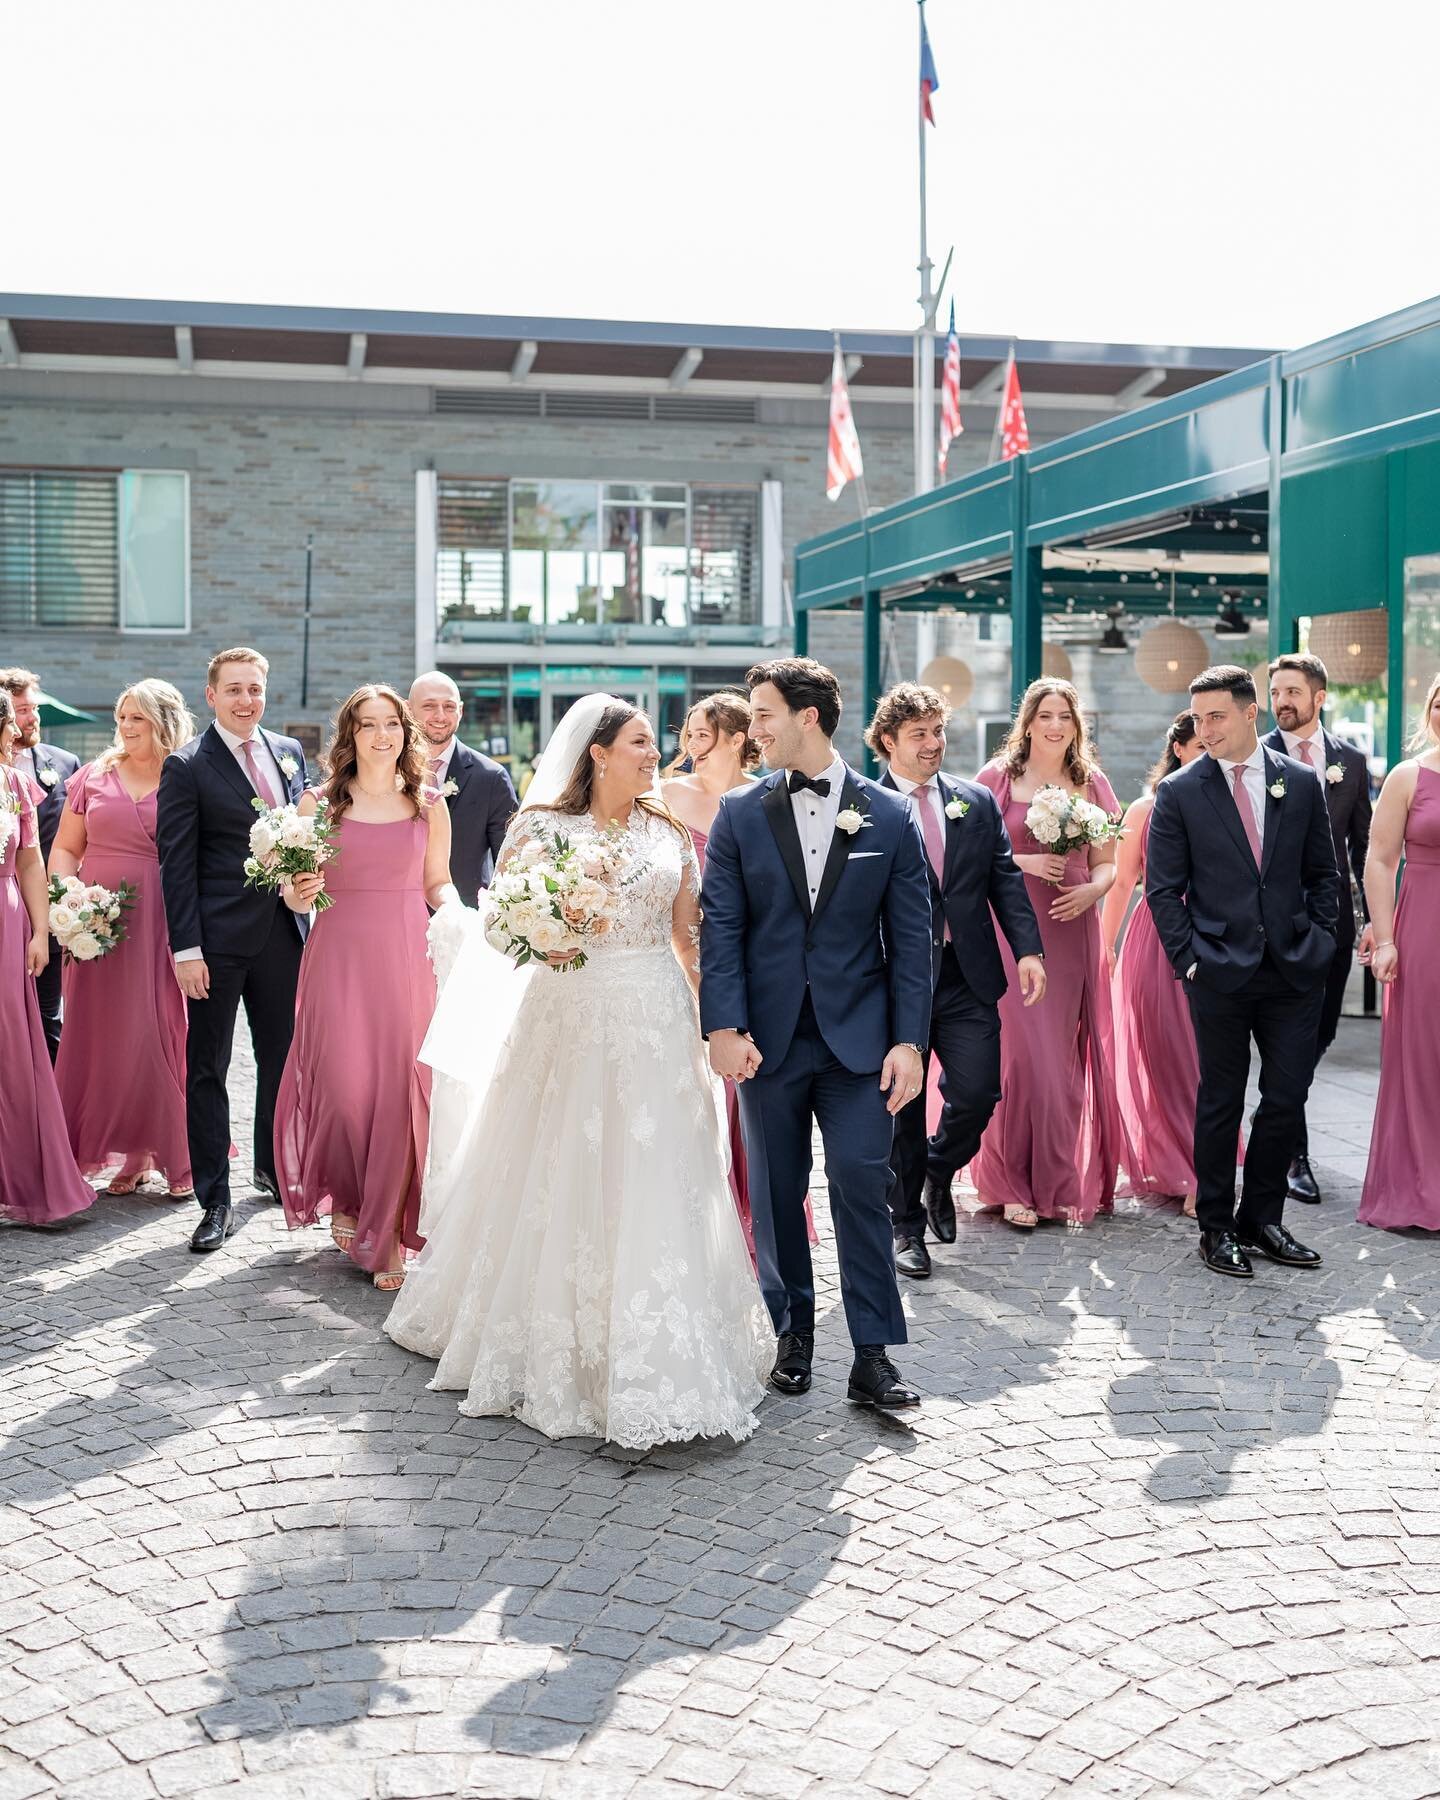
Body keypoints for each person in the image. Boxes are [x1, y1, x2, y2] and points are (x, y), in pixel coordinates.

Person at [386, 695, 771, 1449]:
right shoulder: (543, 827)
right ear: (596, 752)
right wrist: (545, 938)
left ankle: (663, 1334)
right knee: (560, 1162)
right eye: (637, 742)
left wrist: (720, 1023)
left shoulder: (671, 832)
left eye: (652, 743)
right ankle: (551, 1333)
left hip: (656, 1018)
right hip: (567, 1015)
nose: (653, 753)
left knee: (657, 1169)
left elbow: (689, 938)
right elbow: (504, 921)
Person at [699, 658, 933, 1410]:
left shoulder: (889, 817)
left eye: (763, 714)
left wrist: (910, 1043)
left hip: (861, 1043)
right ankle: (791, 1332)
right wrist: (724, 1026)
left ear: (807, 716)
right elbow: (723, 928)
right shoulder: (738, 813)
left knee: (863, 1186)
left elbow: (913, 941)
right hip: (764, 1041)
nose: (752, 729)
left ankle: (873, 1354)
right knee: (776, 1192)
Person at [1147, 665, 1339, 1280]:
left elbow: (1324, 875)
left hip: (1293, 969)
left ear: (1249, 712)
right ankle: (1216, 1227)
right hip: (1219, 973)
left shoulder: (1301, 783)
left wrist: (1322, 941)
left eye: (1216, 717)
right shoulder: (1180, 792)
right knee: (1221, 1101)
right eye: (1197, 718)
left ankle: (1262, 1218)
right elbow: (1163, 892)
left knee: (1286, 1096)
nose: (1203, 729)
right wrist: (1192, 961)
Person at [274, 685, 454, 1289]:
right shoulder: (318, 805)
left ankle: (389, 1237)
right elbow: (296, 888)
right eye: (368, 725)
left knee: (401, 1095)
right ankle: (347, 1195)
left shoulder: (430, 805)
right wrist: (294, 892)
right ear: (349, 737)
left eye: (392, 725)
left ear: (406, 734)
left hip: (406, 956)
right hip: (339, 957)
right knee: (347, 1092)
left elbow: (438, 884)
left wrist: (465, 916)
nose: (383, 736)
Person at [869, 682, 1045, 1278]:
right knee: (901, 1107)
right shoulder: (863, 807)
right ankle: (905, 1228)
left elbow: (1004, 880)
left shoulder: (974, 801)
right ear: (887, 741)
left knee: (977, 1093)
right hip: (892, 982)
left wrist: (1028, 950)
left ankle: (939, 1171)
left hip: (966, 975)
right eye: (919, 734)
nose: (933, 744)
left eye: (938, 732)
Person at [156, 647, 309, 1254]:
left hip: (281, 932)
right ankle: (213, 1199)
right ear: (211, 694)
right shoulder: (186, 765)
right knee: (209, 1067)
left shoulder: (290, 753)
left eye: (256, 689)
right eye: (235, 689)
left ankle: (270, 1167)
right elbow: (177, 864)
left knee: (282, 1055)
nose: (247, 700)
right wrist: (185, 948)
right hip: (215, 943)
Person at [663, 691, 818, 1265]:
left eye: (702, 736)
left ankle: (758, 1224)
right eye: (688, 738)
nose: (690, 748)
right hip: (679, 959)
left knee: (747, 1094)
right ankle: (702, 1227)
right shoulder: (667, 797)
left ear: (735, 739)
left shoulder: (763, 799)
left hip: (751, 963)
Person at [971, 679, 1128, 1230]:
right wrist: (1024, 863)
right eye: (1045, 715)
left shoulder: (1092, 782)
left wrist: (1095, 889)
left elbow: (1110, 861)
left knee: (1061, 1061)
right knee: (1019, 1058)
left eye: (1064, 715)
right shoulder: (997, 779)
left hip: (1072, 925)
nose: (1055, 725)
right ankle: (1010, 1182)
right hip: (1012, 931)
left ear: (1075, 724)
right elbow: (968, 854)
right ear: (1029, 722)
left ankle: (1058, 1184)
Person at [48, 681, 197, 1198]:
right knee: (96, 1033)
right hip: (94, 926)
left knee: (154, 1028)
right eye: (122, 717)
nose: (126, 727)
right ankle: (108, 1155)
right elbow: (66, 849)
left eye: (137, 718)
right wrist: (70, 900)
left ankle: (162, 1152)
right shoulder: (93, 776)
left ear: (162, 721)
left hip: (160, 915)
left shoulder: (186, 775)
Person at [1104, 712, 1225, 1217]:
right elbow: (1121, 881)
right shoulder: (1146, 809)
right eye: (1197, 747)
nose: (1206, 756)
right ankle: (1180, 1164)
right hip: (1155, 943)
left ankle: (1204, 1169)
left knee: (1206, 1060)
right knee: (1166, 1057)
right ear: (1177, 749)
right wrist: (1104, 947)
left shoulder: (1231, 803)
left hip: (1217, 941)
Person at [1263, 653, 1371, 1205]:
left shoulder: (1350, 763)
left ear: (1319, 697)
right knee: (1295, 1037)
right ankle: (1292, 1151)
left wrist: (1372, 920)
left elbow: (1364, 847)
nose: (1281, 701)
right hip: (1275, 926)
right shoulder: (1257, 759)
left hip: (1331, 926)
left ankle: (1279, 1107)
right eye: (1275, 691)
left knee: (1320, 1034)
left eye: (1291, 692)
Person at [0, 687, 94, 1227]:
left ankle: (22, 1181)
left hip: (8, 923)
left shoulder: (14, 782)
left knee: (15, 1050)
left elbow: (33, 862)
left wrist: (41, 932)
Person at [1356, 672, 1440, 1230]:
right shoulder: (1409, 776)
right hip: (1425, 927)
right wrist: (1384, 937)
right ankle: (1422, 1185)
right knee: (1423, 1055)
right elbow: (1379, 859)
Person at [0, 668, 80, 1063]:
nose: (29, 719)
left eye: (33, 708)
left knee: (49, 1016)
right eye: (20, 711)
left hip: (49, 913)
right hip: (8, 908)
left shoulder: (65, 763)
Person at [408, 671, 516, 906]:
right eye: (429, 706)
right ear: (408, 709)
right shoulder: (388, 773)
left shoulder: (491, 777)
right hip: (397, 919)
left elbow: (509, 863)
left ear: (461, 711)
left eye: (449, 706)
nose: (440, 715)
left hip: (465, 919)